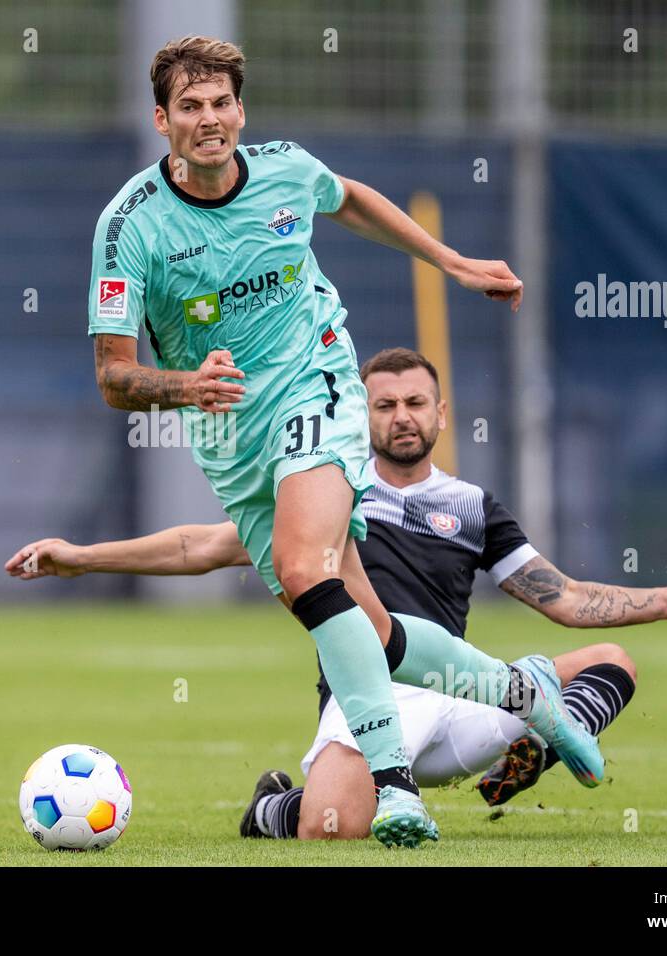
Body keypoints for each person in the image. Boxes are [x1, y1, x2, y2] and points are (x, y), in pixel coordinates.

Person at [84, 35, 600, 847]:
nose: (209, 120)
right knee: (368, 623)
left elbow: (348, 197)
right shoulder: (129, 228)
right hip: (230, 437)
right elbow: (115, 376)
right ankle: (523, 696)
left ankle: (397, 790)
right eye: (190, 107)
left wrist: (450, 261)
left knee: (303, 567)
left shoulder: (285, 167)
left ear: (241, 112)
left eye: (222, 104)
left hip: (317, 382)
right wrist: (185, 385)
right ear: (162, 121)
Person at [7, 346, 667, 839]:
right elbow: (197, 546)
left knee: (612, 660)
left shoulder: (472, 506)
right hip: (371, 705)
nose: (402, 415)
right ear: (361, 414)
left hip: (466, 694)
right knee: (330, 833)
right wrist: (81, 558)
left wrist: (663, 598)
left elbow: (557, 597)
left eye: (415, 402)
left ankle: (523, 750)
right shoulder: (326, 491)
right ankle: (278, 803)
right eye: (385, 403)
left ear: (440, 413)